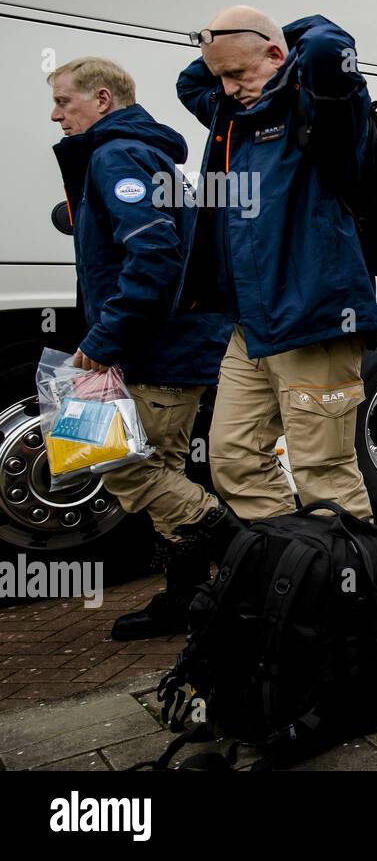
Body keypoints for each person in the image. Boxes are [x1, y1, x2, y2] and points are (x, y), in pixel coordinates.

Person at [47, 57, 237, 640]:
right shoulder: (136, 154)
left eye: (64, 102)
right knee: (163, 466)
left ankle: (239, 545)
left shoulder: (116, 155)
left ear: (103, 99)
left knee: (126, 467)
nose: (56, 115)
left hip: (155, 350)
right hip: (170, 346)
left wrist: (103, 343)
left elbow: (153, 254)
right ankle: (187, 597)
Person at [176, 7, 377, 521]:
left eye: (237, 74)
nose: (225, 89)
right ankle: (292, 573)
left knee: (324, 474)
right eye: (220, 76)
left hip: (311, 319)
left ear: (276, 56)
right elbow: (188, 81)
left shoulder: (323, 106)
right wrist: (227, 45)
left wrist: (278, 38)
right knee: (233, 460)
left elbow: (331, 47)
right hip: (251, 326)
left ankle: (353, 593)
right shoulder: (233, 118)